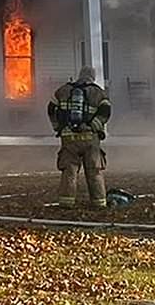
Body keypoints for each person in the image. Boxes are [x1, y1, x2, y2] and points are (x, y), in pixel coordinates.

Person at [47, 65, 112, 208]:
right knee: (94, 171)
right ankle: (99, 203)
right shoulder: (98, 92)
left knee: (69, 171)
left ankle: (66, 203)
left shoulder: (63, 90)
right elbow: (106, 112)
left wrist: (58, 127)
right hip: (90, 139)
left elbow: (51, 109)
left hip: (68, 138)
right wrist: (93, 126)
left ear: (80, 75)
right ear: (92, 77)